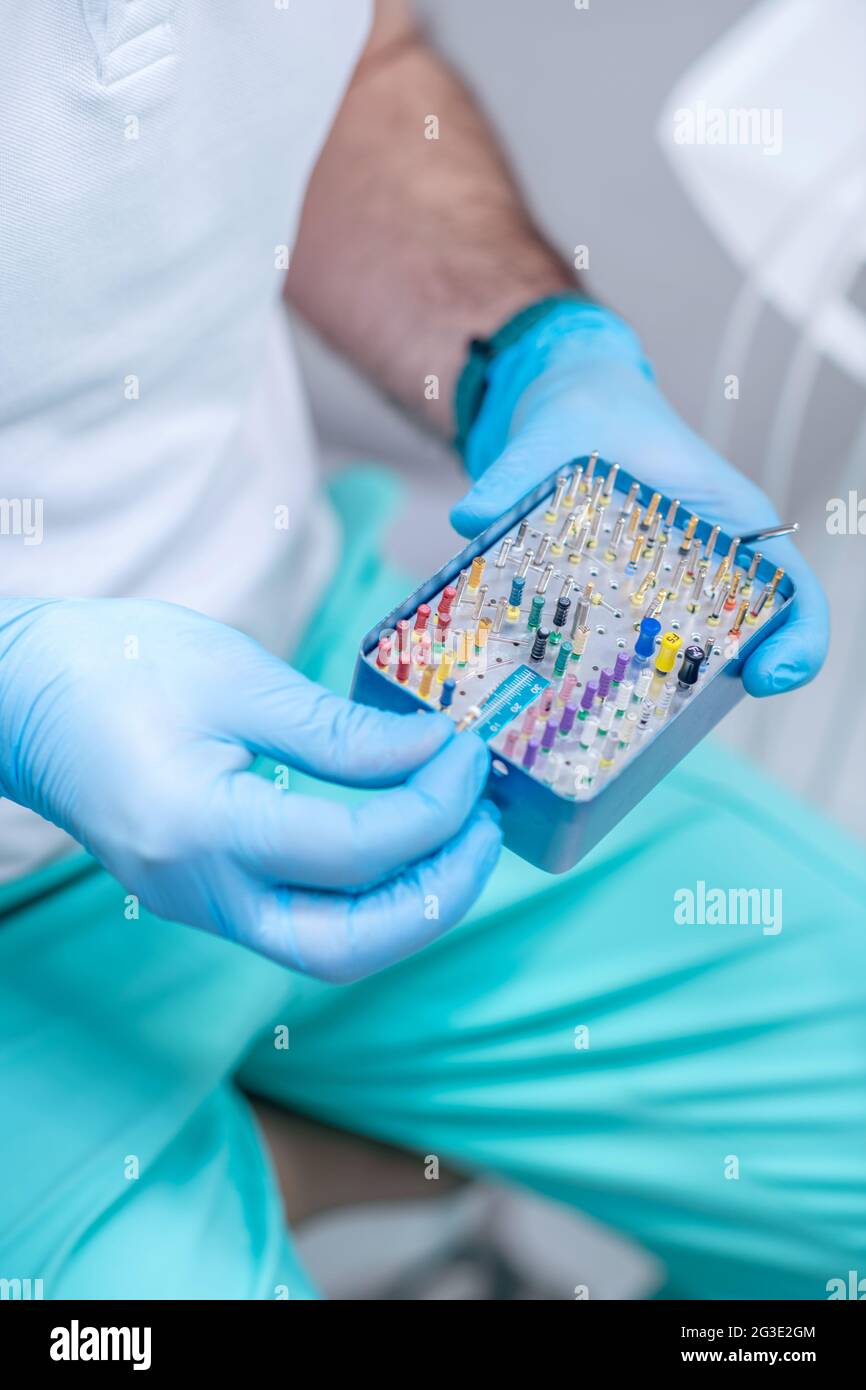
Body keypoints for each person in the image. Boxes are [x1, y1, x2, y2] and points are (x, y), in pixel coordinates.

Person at [1, 0, 863, 1300]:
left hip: (318, 683)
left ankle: (282, 1149)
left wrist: (530, 355)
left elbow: (351, 61)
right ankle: (284, 1162)